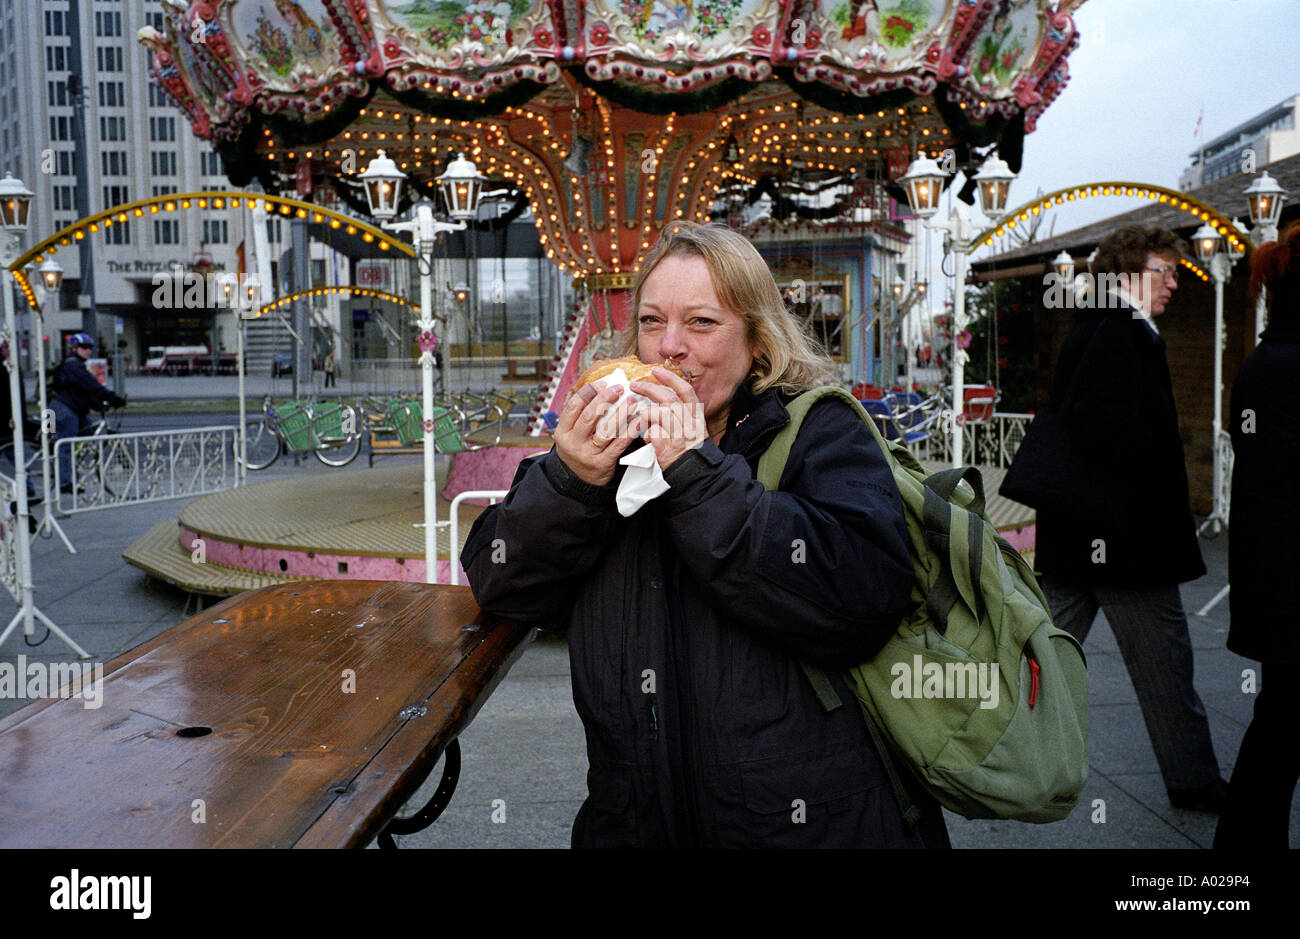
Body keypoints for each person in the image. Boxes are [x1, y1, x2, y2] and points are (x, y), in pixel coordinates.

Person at [462, 221, 949, 848]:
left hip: (810, 827)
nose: (670, 347)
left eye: (702, 323)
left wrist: (695, 471)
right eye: (650, 321)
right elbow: (500, 583)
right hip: (636, 821)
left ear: (757, 337)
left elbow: (860, 599)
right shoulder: (607, 451)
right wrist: (569, 481)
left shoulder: (819, 433)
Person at [1032, 226, 1227, 812]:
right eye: (1163, 270)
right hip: (1123, 545)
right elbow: (1101, 431)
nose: (1173, 283)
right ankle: (1193, 781)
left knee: (1034, 652)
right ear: (1128, 273)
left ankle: (962, 747)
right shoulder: (1121, 333)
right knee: (1165, 665)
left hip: (1086, 537)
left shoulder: (1101, 326)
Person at [1214, 220, 1300, 849]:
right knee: (1281, 724)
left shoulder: (1263, 363)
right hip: (1290, 577)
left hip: (1276, 579)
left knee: (1280, 720)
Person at [51, 333, 125, 493]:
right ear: (74, 348)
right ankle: (65, 483)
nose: (88, 351)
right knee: (66, 444)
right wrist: (113, 398)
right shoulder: (73, 366)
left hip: (72, 407)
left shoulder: (77, 366)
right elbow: (92, 386)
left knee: (90, 430)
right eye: (84, 348)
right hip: (63, 408)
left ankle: (68, 466)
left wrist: (98, 404)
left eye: (90, 348)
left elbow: (82, 390)